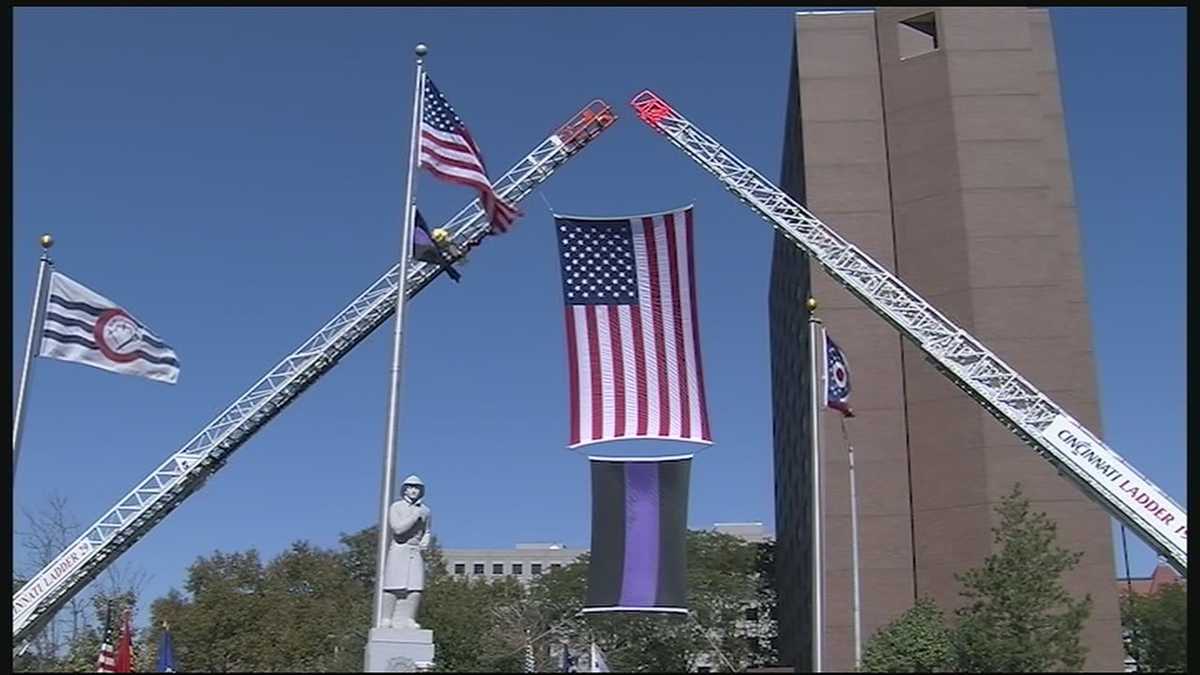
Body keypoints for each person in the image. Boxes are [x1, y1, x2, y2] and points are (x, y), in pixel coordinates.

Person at [382, 474, 432, 629]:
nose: (413, 491)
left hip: (415, 549)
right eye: (410, 487)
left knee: (415, 586)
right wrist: (414, 516)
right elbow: (398, 529)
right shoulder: (396, 507)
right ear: (404, 489)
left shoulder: (426, 511)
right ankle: (386, 618)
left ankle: (409, 618)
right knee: (392, 584)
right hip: (399, 548)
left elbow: (428, 531)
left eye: (417, 488)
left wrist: (425, 542)